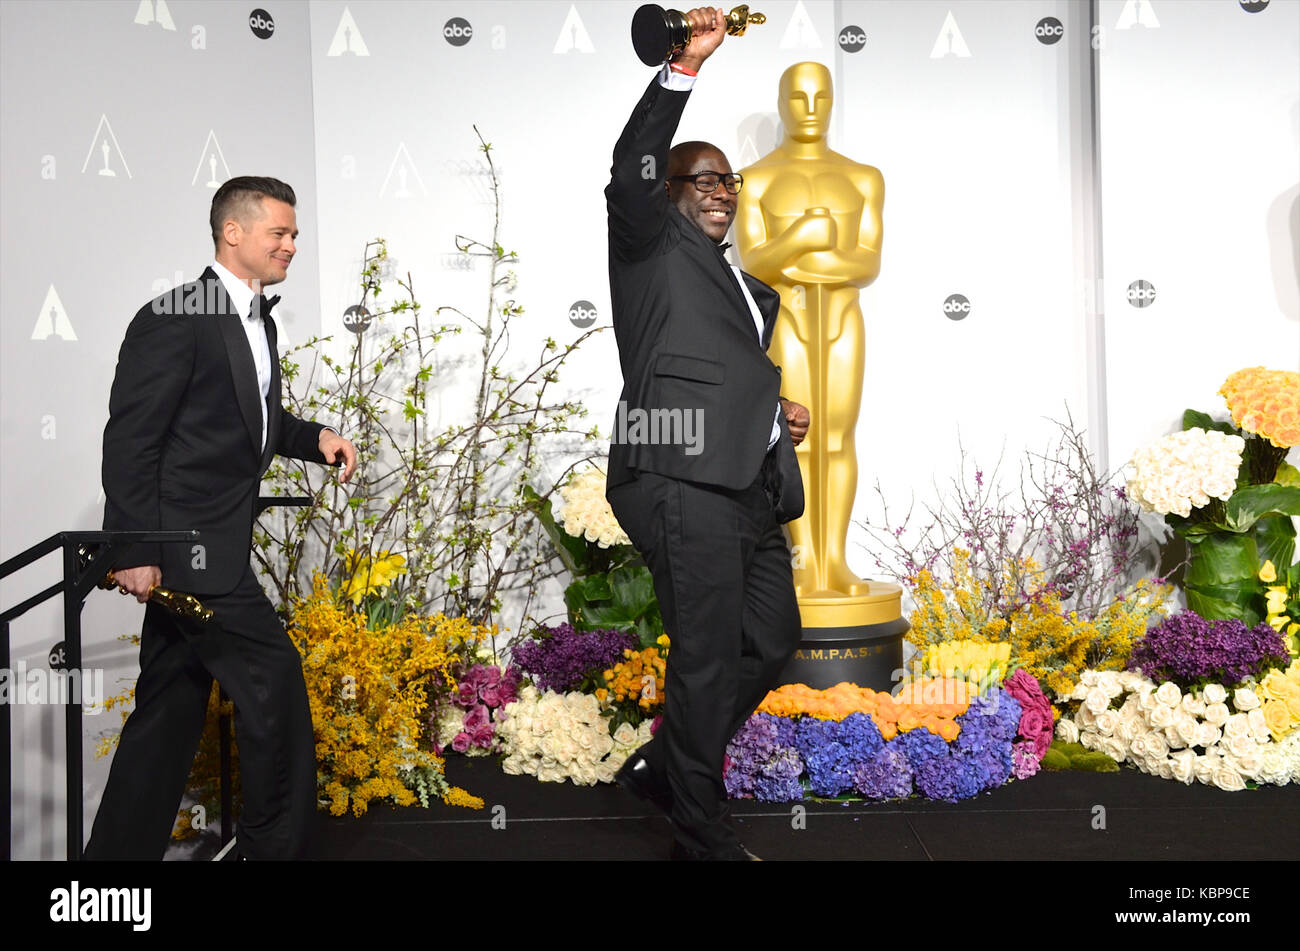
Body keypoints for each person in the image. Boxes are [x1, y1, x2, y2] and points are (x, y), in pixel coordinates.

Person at [86, 176, 357, 860]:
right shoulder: (176, 314)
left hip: (213, 544)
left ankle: (108, 874)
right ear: (233, 233)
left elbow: (250, 418)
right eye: (280, 233)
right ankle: (273, 850)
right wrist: (134, 545)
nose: (292, 244)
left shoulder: (255, 316)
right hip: (189, 551)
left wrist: (312, 438)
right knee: (277, 689)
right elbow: (132, 437)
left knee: (168, 715)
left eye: (294, 234)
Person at [603, 8, 810, 860]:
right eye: (705, 181)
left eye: (730, 183)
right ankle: (699, 826)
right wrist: (682, 68)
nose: (723, 191)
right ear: (671, 196)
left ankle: (666, 766)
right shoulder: (648, 241)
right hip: (679, 477)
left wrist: (773, 411)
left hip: (748, 485)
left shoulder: (749, 288)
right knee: (705, 657)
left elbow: (725, 369)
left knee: (771, 639)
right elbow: (632, 166)